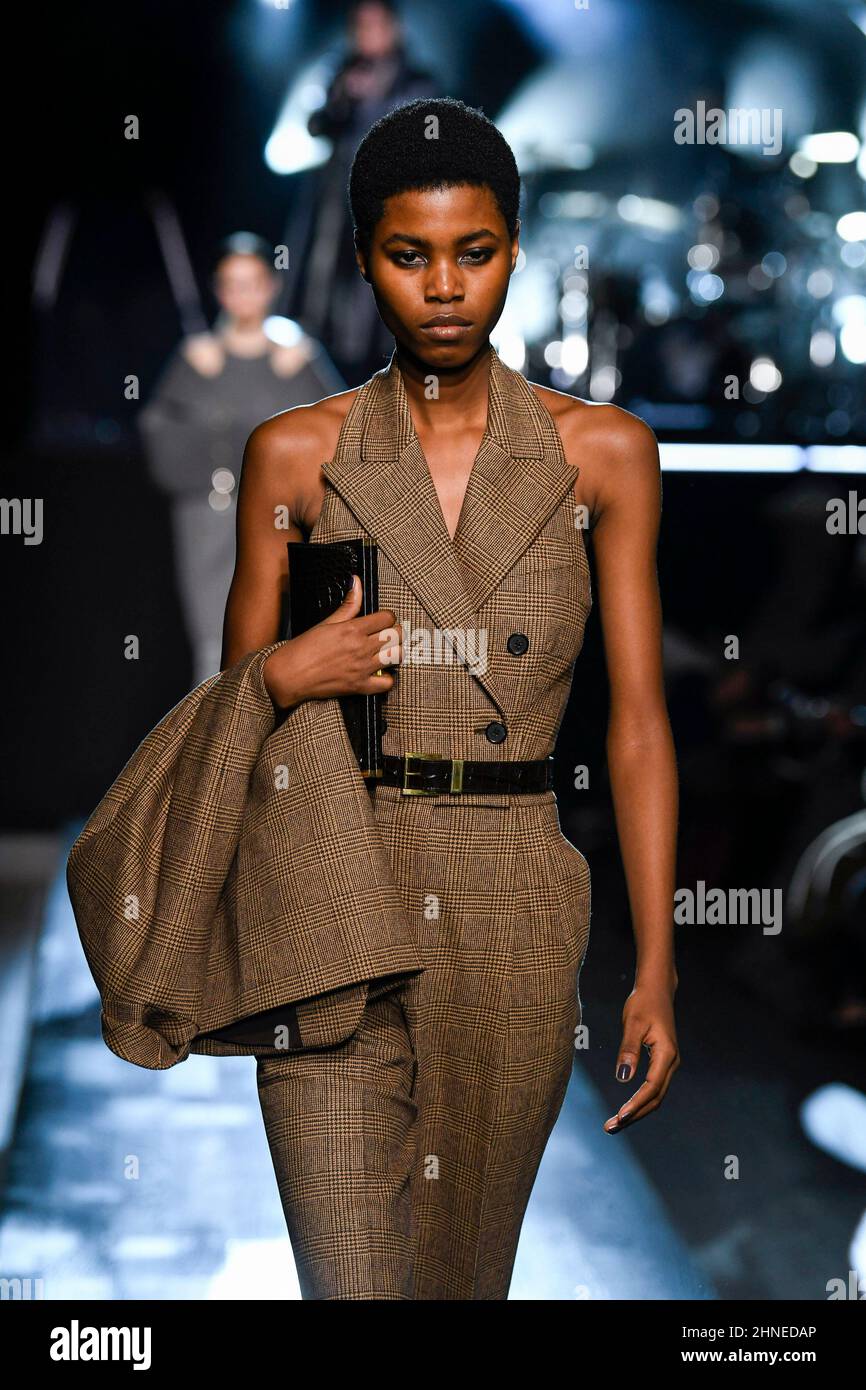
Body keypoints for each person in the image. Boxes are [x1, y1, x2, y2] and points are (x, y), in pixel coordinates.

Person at [224, 98, 680, 1300]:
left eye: (472, 254)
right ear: (364, 255)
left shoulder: (604, 456)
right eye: (407, 254)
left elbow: (635, 727)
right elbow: (224, 726)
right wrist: (281, 672)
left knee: (463, 1284)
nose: (442, 288)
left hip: (514, 902)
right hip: (332, 890)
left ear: (514, 253)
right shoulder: (292, 455)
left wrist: (655, 967)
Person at [139, 232, 345, 686]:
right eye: (232, 283)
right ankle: (216, 751)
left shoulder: (298, 358)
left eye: (252, 282)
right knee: (214, 643)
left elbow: (342, 442)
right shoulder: (196, 361)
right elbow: (160, 447)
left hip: (286, 524)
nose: (243, 294)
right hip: (210, 518)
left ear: (270, 286)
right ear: (219, 290)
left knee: (294, 639)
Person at [281, 0, 439, 381]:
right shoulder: (340, 73)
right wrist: (344, 97)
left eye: (376, 25)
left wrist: (374, 101)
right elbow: (316, 126)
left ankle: (377, 383)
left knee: (375, 298)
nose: (368, 34)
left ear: (393, 28)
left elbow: (423, 138)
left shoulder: (414, 79)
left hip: (389, 205)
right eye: (361, 26)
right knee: (324, 295)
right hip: (335, 207)